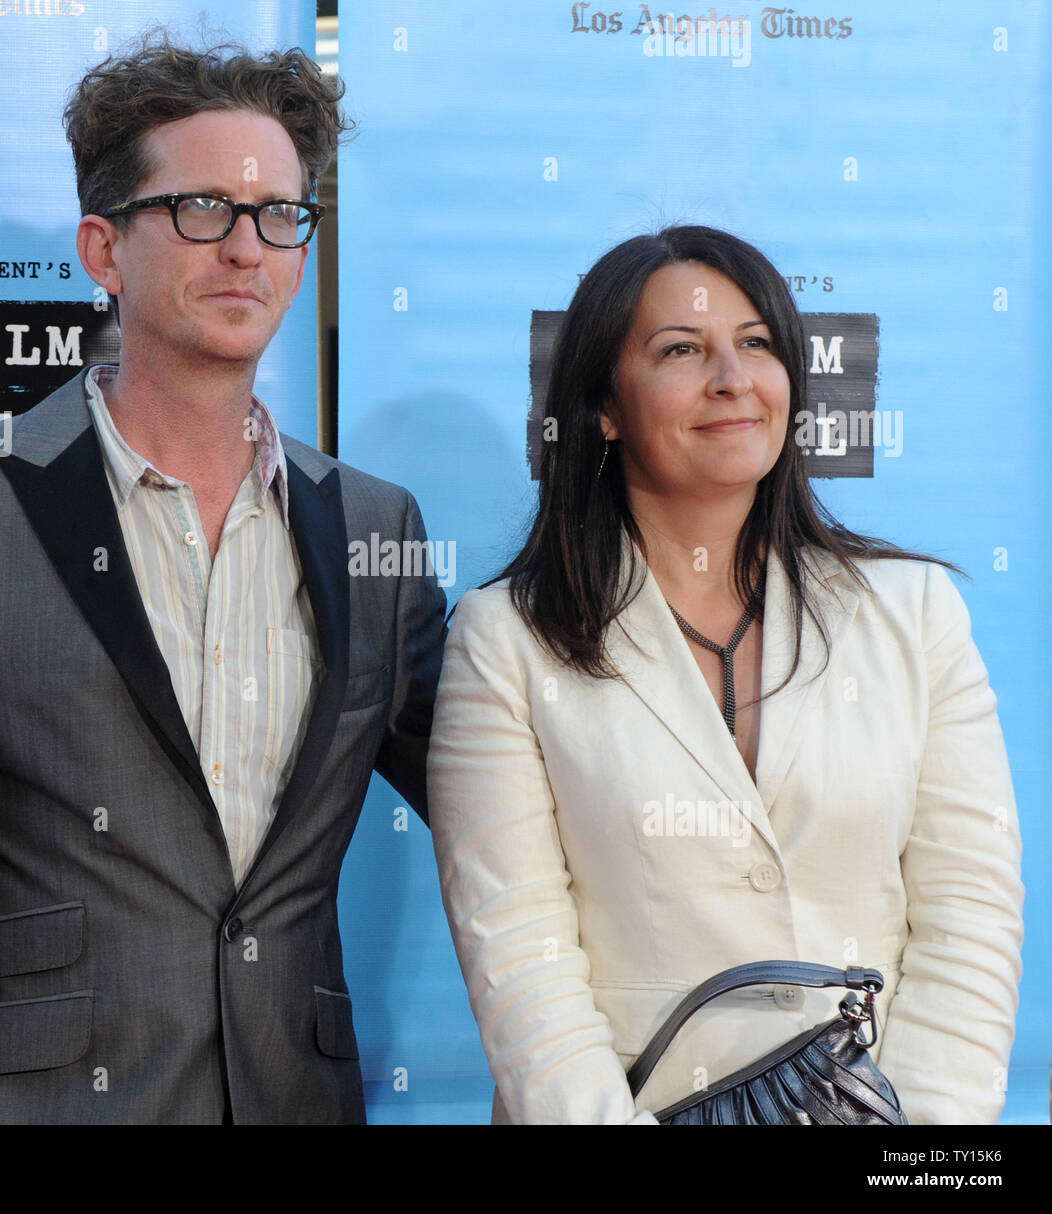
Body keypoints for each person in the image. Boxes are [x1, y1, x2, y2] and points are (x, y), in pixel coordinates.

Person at [0, 35, 446, 1125]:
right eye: (200, 210)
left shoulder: (374, 528)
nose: (246, 247)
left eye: (280, 213)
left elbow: (493, 792)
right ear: (103, 247)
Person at [428, 225, 1023, 1125]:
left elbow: (970, 916)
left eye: (757, 345)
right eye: (681, 350)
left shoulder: (915, 613)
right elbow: (520, 960)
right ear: (604, 406)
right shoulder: (505, 640)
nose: (733, 379)